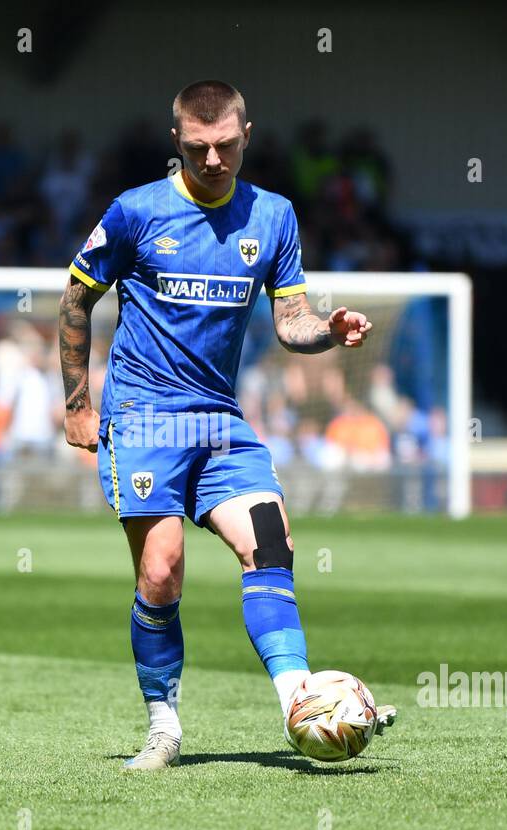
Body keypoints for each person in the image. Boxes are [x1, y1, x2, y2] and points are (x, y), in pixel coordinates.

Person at [58, 80, 395, 770]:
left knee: (270, 546)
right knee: (163, 574)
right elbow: (74, 300)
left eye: (225, 145)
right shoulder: (135, 213)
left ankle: (299, 704)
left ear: (248, 134)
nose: (213, 159)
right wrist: (76, 405)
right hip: (145, 417)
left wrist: (327, 330)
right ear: (176, 142)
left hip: (219, 422)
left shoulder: (273, 217)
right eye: (197, 147)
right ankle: (164, 727)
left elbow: (291, 321)